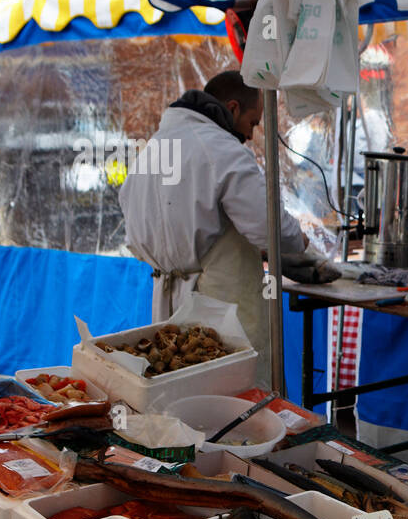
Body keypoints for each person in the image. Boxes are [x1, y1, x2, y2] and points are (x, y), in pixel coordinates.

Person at [120, 71, 338, 387]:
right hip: (220, 307)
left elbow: (152, 231)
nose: (250, 135)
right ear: (232, 108)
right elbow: (269, 227)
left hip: (167, 303)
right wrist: (297, 239)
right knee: (235, 402)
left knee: (182, 393)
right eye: (252, 122)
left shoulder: (151, 151)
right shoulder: (221, 149)